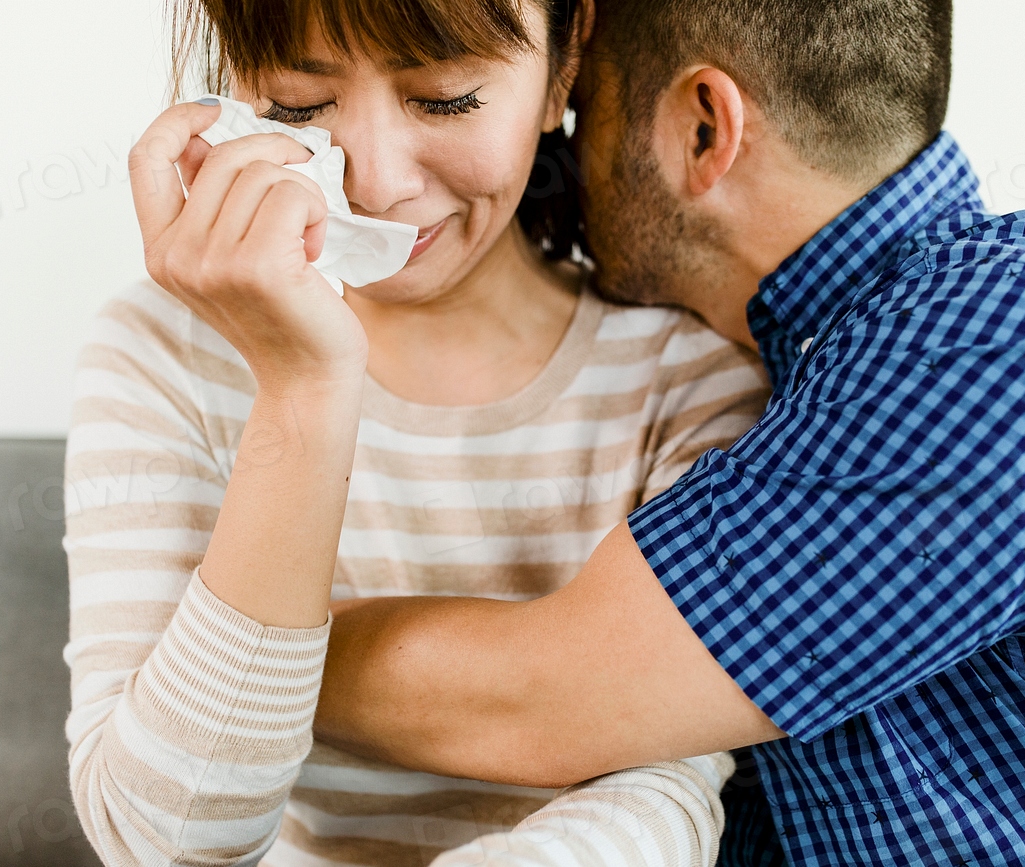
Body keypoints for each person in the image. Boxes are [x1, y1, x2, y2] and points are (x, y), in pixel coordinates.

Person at [306, 1, 1025, 865]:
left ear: (703, 128)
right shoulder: (784, 372)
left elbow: (537, 700)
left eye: (585, 114)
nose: (555, 165)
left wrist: (202, 655)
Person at [61, 0, 773, 864]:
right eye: (297, 105)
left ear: (564, 63)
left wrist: (284, 664)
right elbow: (158, 836)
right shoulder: (162, 354)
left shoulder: (686, 380)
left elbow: (660, 803)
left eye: (445, 99)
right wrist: (305, 389)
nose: (376, 183)